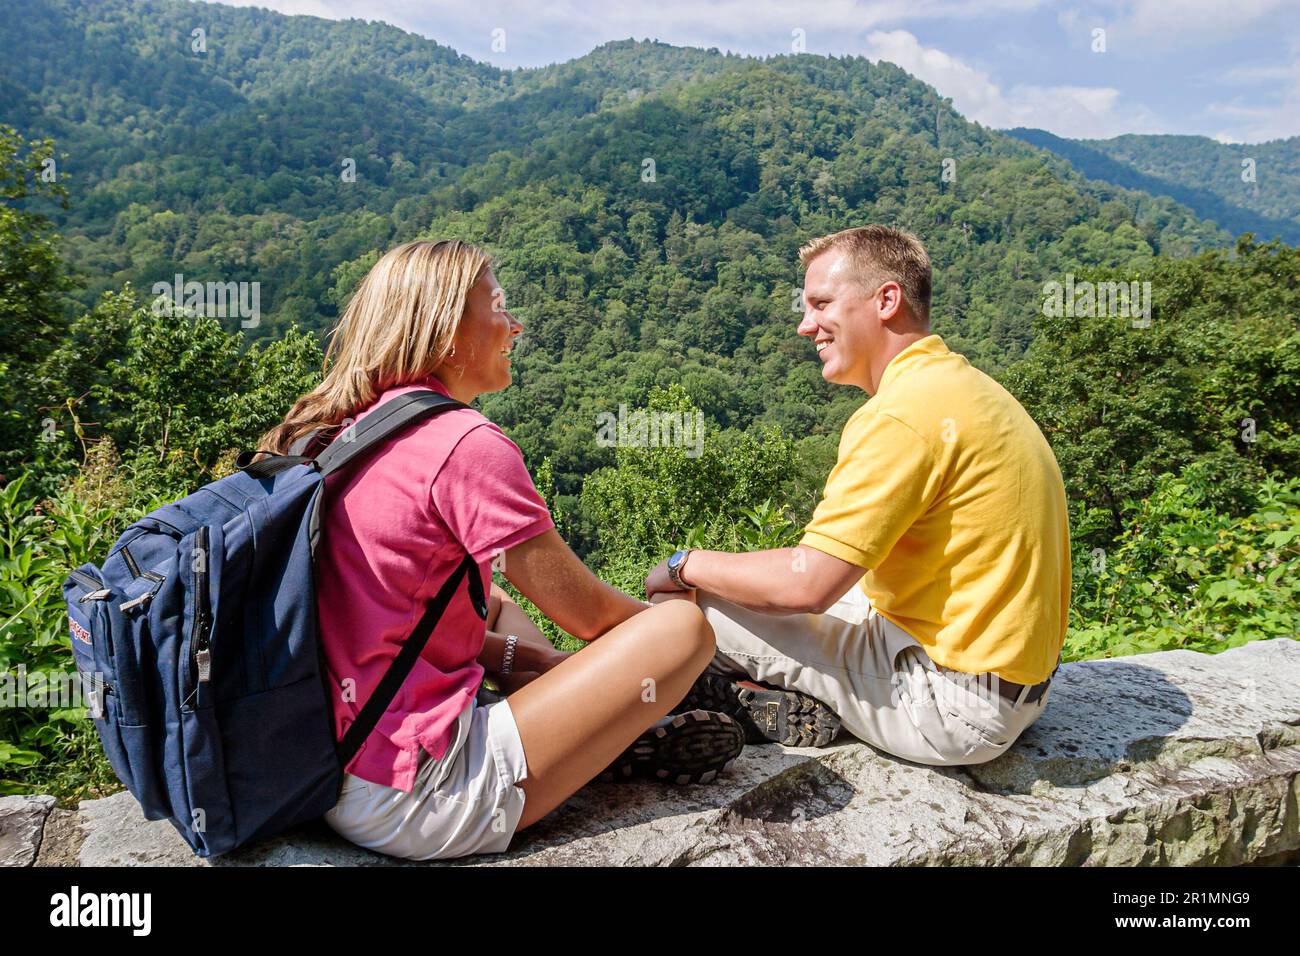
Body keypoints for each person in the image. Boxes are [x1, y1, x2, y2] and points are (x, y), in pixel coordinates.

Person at [259, 239, 744, 861]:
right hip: (419, 797)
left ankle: (594, 726)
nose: (515, 324)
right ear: (445, 331)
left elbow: (374, 625)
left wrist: (549, 664)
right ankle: (612, 729)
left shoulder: (341, 430)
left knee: (489, 604)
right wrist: (696, 656)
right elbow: (589, 613)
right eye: (499, 305)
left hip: (331, 762)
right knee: (680, 629)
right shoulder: (463, 443)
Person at [647, 225, 1071, 767]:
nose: (805, 326)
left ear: (887, 300)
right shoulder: (970, 389)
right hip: (1017, 685)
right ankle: (765, 699)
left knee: (683, 611)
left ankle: (729, 700)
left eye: (821, 303)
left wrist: (685, 564)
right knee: (772, 591)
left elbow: (808, 585)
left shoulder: (900, 414)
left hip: (952, 710)